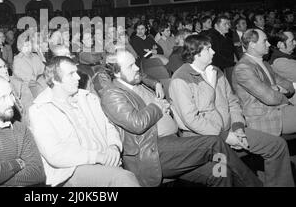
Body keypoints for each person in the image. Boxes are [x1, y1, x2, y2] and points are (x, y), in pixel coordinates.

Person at [97, 50, 262, 187]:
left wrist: (156, 85)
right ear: (117, 72)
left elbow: (145, 77)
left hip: (173, 146)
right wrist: (157, 107)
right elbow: (136, 123)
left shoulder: (136, 82)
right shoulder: (112, 94)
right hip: (154, 152)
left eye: (135, 63)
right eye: (130, 66)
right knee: (214, 142)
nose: (137, 68)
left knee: (219, 172)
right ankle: (254, 185)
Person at [170, 35, 294, 187]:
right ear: (197, 54)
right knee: (222, 174)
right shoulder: (180, 79)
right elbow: (192, 120)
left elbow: (232, 102)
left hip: (232, 130)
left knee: (276, 146)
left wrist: (238, 127)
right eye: (209, 49)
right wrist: (225, 136)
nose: (214, 52)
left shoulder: (216, 71)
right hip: (206, 140)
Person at [29, 56, 140, 187]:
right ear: (55, 80)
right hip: (71, 171)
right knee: (123, 178)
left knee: (131, 173)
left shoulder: (89, 98)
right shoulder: (40, 110)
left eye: (76, 72)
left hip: (105, 162)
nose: (78, 77)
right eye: (71, 74)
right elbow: (55, 154)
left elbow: (108, 127)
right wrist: (98, 157)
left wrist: (113, 146)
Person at [232, 29, 296, 136]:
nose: (269, 44)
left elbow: (288, 85)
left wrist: (279, 89)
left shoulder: (263, 62)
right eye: (264, 41)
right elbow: (270, 98)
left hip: (279, 110)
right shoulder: (243, 68)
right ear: (252, 45)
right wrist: (283, 94)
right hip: (267, 118)